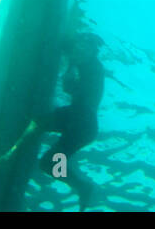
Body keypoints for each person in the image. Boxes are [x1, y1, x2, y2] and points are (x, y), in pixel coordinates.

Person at [36, 32, 105, 209]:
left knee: (49, 162)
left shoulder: (93, 69)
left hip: (81, 125)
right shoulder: (81, 60)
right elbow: (68, 47)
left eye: (84, 49)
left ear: (92, 53)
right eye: (78, 47)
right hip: (77, 123)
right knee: (48, 162)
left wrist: (70, 84)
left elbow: (84, 97)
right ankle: (83, 186)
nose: (78, 52)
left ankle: (84, 187)